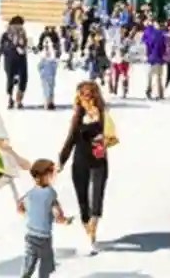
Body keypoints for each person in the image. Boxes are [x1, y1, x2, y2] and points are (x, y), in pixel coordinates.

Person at [58, 81, 117, 254]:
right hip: (80, 160)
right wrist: (61, 160)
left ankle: (92, 231)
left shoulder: (103, 114)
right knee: (83, 201)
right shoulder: (78, 115)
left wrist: (105, 140)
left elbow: (111, 135)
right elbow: (71, 139)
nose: (87, 97)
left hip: (99, 160)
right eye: (83, 94)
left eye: (90, 93)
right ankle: (88, 233)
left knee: (96, 197)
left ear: (96, 95)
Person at [18, 159, 73, 278]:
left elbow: (20, 207)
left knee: (28, 265)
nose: (54, 177)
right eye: (52, 174)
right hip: (44, 238)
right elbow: (58, 214)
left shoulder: (30, 193)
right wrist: (65, 220)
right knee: (46, 266)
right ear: (45, 176)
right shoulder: (51, 193)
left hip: (30, 237)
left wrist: (31, 214)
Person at [0, 17, 29, 109]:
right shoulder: (9, 34)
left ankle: (15, 100)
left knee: (17, 79)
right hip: (14, 59)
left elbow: (27, 45)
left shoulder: (19, 34)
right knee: (16, 79)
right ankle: (13, 99)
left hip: (15, 59)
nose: (18, 26)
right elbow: (2, 46)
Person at [143, 20, 166, 100]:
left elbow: (147, 45)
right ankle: (159, 94)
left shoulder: (149, 34)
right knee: (158, 77)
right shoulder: (162, 34)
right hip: (159, 59)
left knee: (150, 76)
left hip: (152, 58)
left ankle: (149, 91)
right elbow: (164, 47)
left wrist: (146, 56)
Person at [38, 46, 59, 111]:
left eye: (49, 53)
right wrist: (42, 74)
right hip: (44, 78)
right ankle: (46, 103)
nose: (48, 54)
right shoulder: (43, 60)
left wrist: (53, 74)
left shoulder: (52, 60)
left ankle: (51, 102)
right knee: (46, 91)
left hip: (51, 78)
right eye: (46, 53)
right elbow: (39, 67)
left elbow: (55, 67)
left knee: (51, 90)